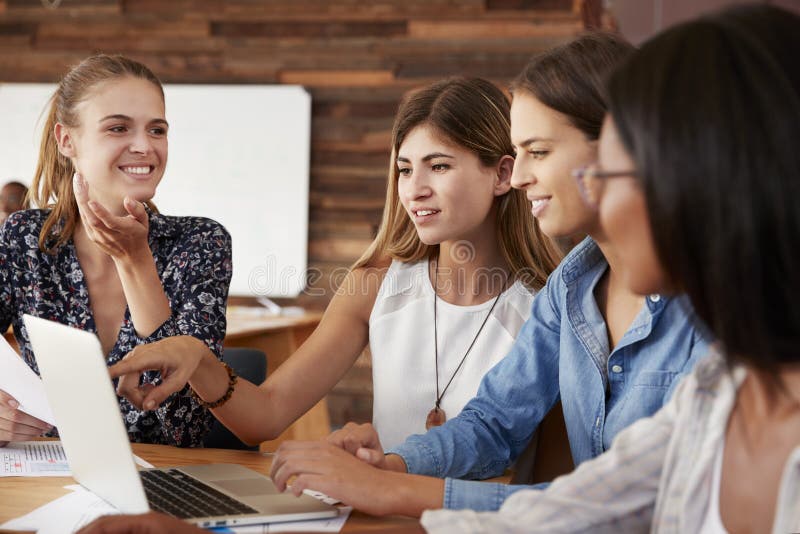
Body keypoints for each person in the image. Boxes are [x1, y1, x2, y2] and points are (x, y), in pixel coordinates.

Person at [266, 31, 711, 517]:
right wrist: (389, 466)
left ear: (623, 149)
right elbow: (496, 422)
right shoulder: (570, 287)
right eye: (517, 154)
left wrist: (391, 490)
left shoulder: (715, 308)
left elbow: (627, 504)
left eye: (537, 152)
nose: (518, 177)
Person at [418, 4, 800, 532]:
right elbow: (570, 511)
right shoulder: (716, 391)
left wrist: (398, 489)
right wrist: (392, 473)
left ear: (712, 178)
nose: (599, 193)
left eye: (619, 170)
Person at [105, 77, 561, 450]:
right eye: (404, 169)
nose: (414, 189)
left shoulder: (549, 307)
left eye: (438, 166)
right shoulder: (374, 287)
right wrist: (197, 359)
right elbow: (264, 415)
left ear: (503, 174)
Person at [0, 54, 232, 448]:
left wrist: (136, 260)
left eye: (157, 130)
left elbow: (185, 424)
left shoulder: (200, 243)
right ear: (67, 140)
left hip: (164, 482)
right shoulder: (24, 238)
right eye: (119, 128)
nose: (144, 146)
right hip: (47, 475)